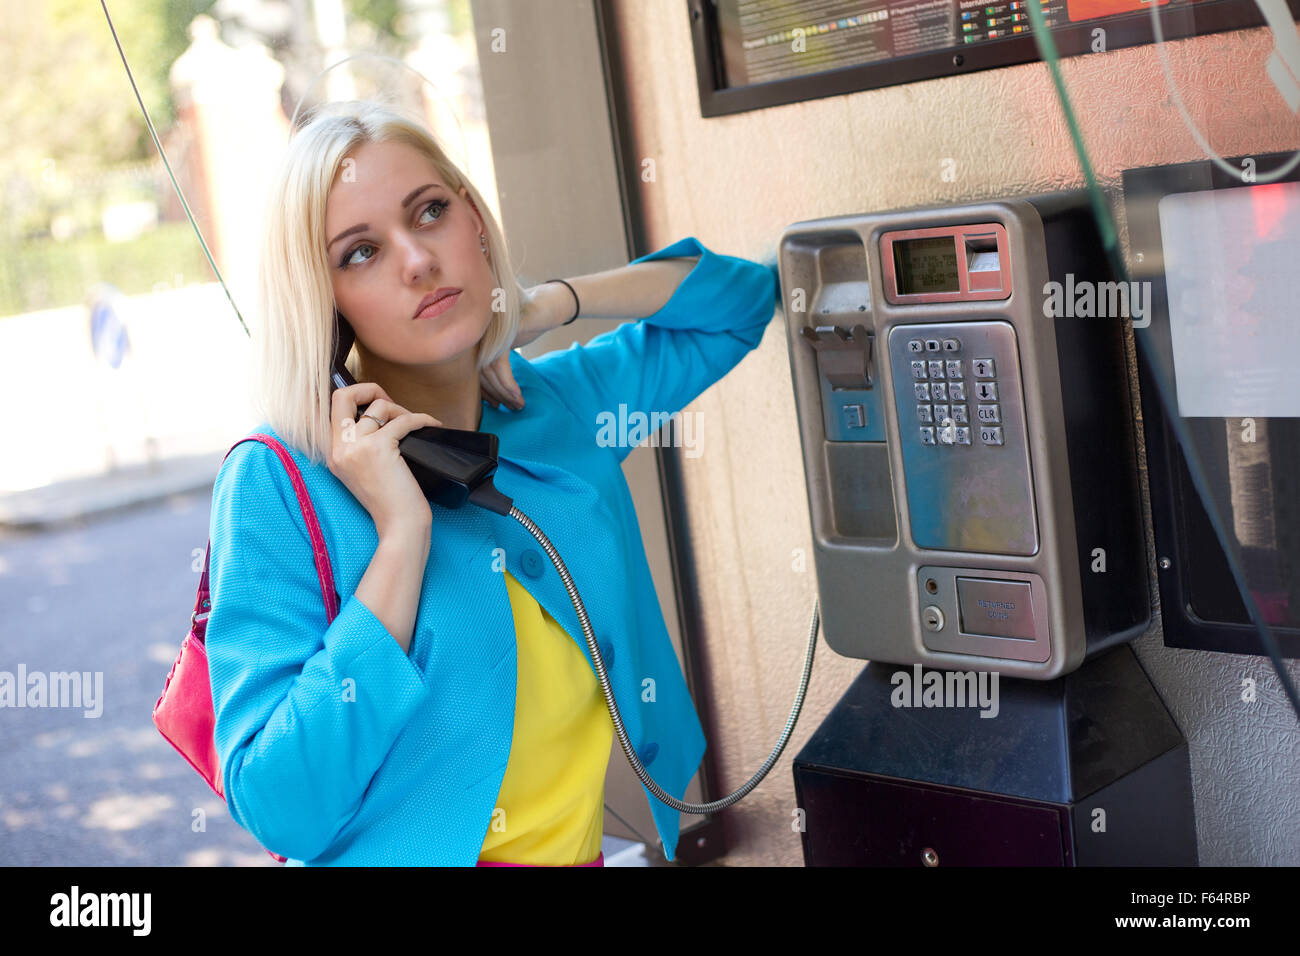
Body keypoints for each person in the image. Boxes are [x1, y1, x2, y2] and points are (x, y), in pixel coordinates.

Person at [204, 99, 777, 866]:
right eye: (360, 253)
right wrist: (401, 541)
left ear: (474, 218)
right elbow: (279, 804)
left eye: (430, 212)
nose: (417, 260)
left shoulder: (558, 405)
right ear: (324, 299)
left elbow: (740, 304)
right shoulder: (280, 482)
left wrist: (545, 302)